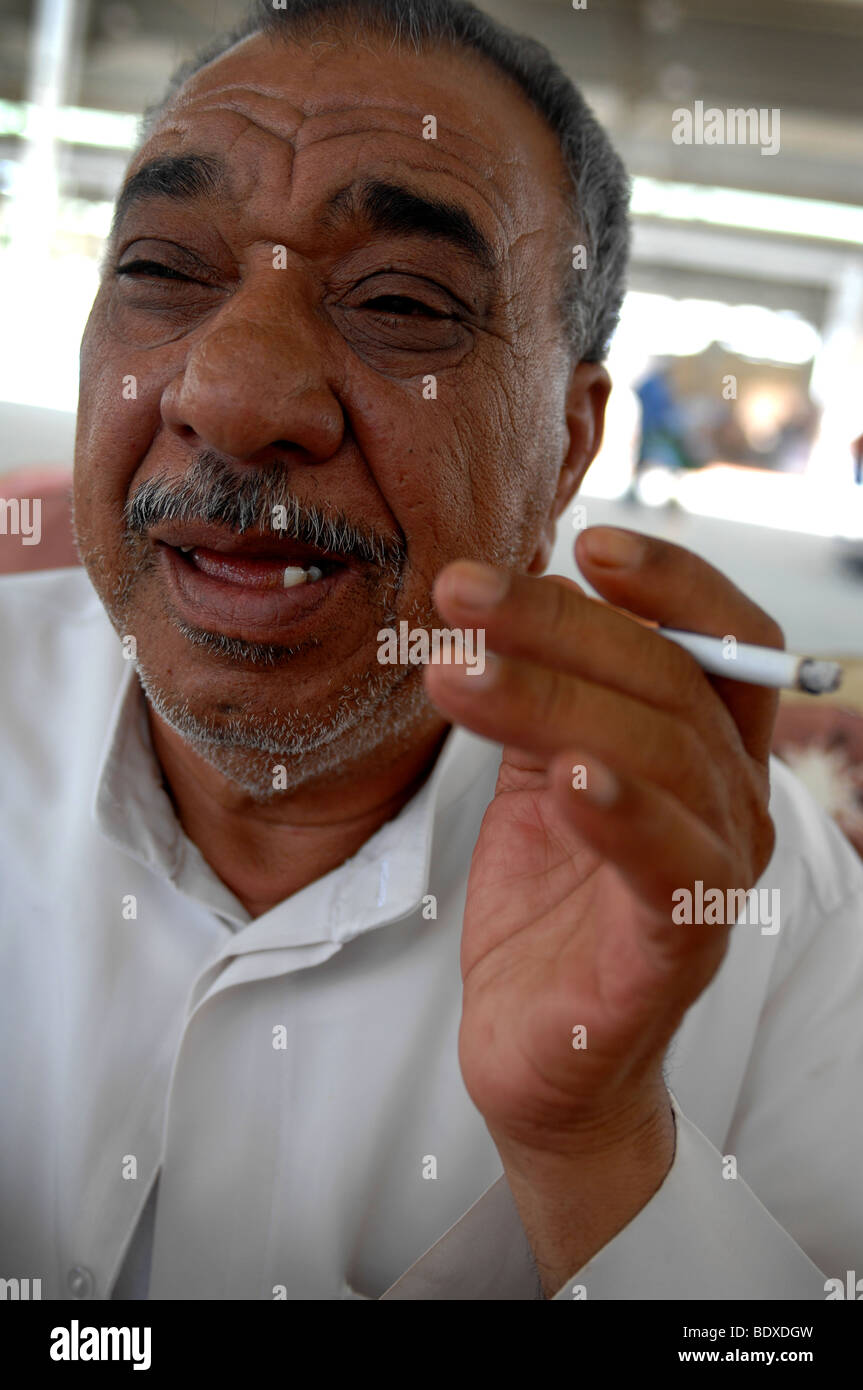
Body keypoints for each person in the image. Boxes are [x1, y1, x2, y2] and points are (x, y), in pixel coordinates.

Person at [1, 0, 861, 1302]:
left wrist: (596, 1148)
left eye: (401, 300)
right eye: (164, 270)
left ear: (567, 449)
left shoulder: (749, 905)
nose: (230, 391)